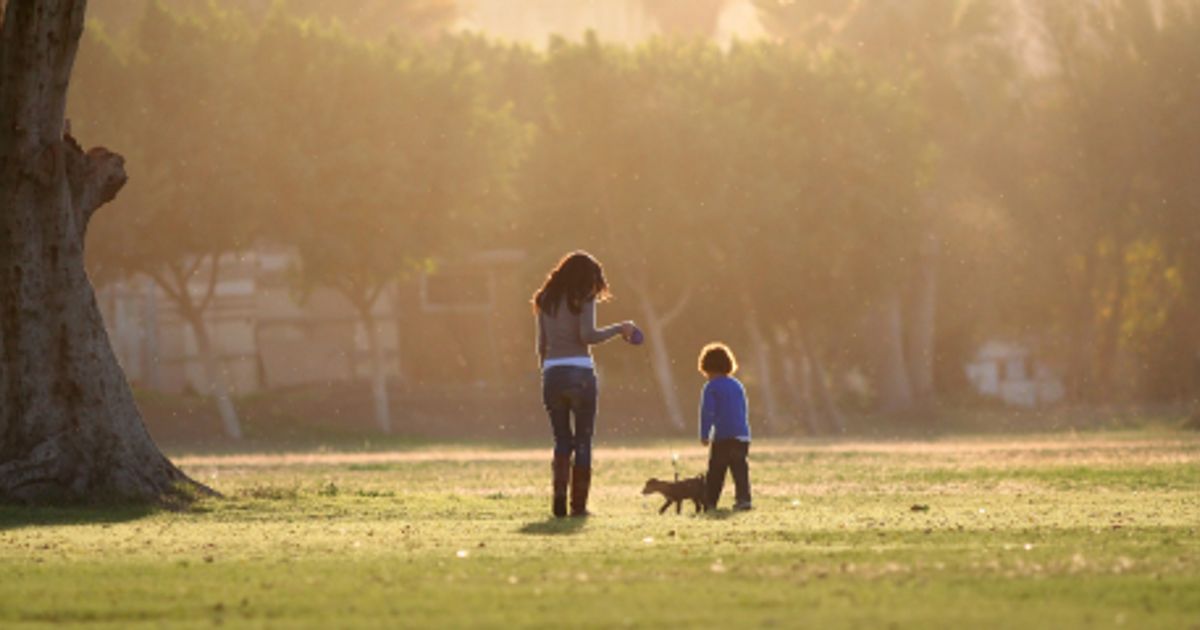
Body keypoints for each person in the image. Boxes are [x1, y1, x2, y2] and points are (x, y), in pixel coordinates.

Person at [533, 251, 636, 517]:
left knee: (561, 439)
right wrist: (620, 329)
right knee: (583, 441)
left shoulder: (545, 299)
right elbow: (587, 336)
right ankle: (578, 507)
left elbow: (541, 345)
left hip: (552, 374)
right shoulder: (583, 296)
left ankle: (558, 496)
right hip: (580, 374)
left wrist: (548, 372)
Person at [697, 342, 752, 511]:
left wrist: (705, 434)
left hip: (723, 436)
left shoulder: (711, 387)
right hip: (742, 435)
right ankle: (744, 499)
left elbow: (708, 412)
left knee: (716, 471)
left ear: (706, 366)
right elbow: (743, 409)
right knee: (740, 470)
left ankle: (710, 502)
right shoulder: (737, 385)